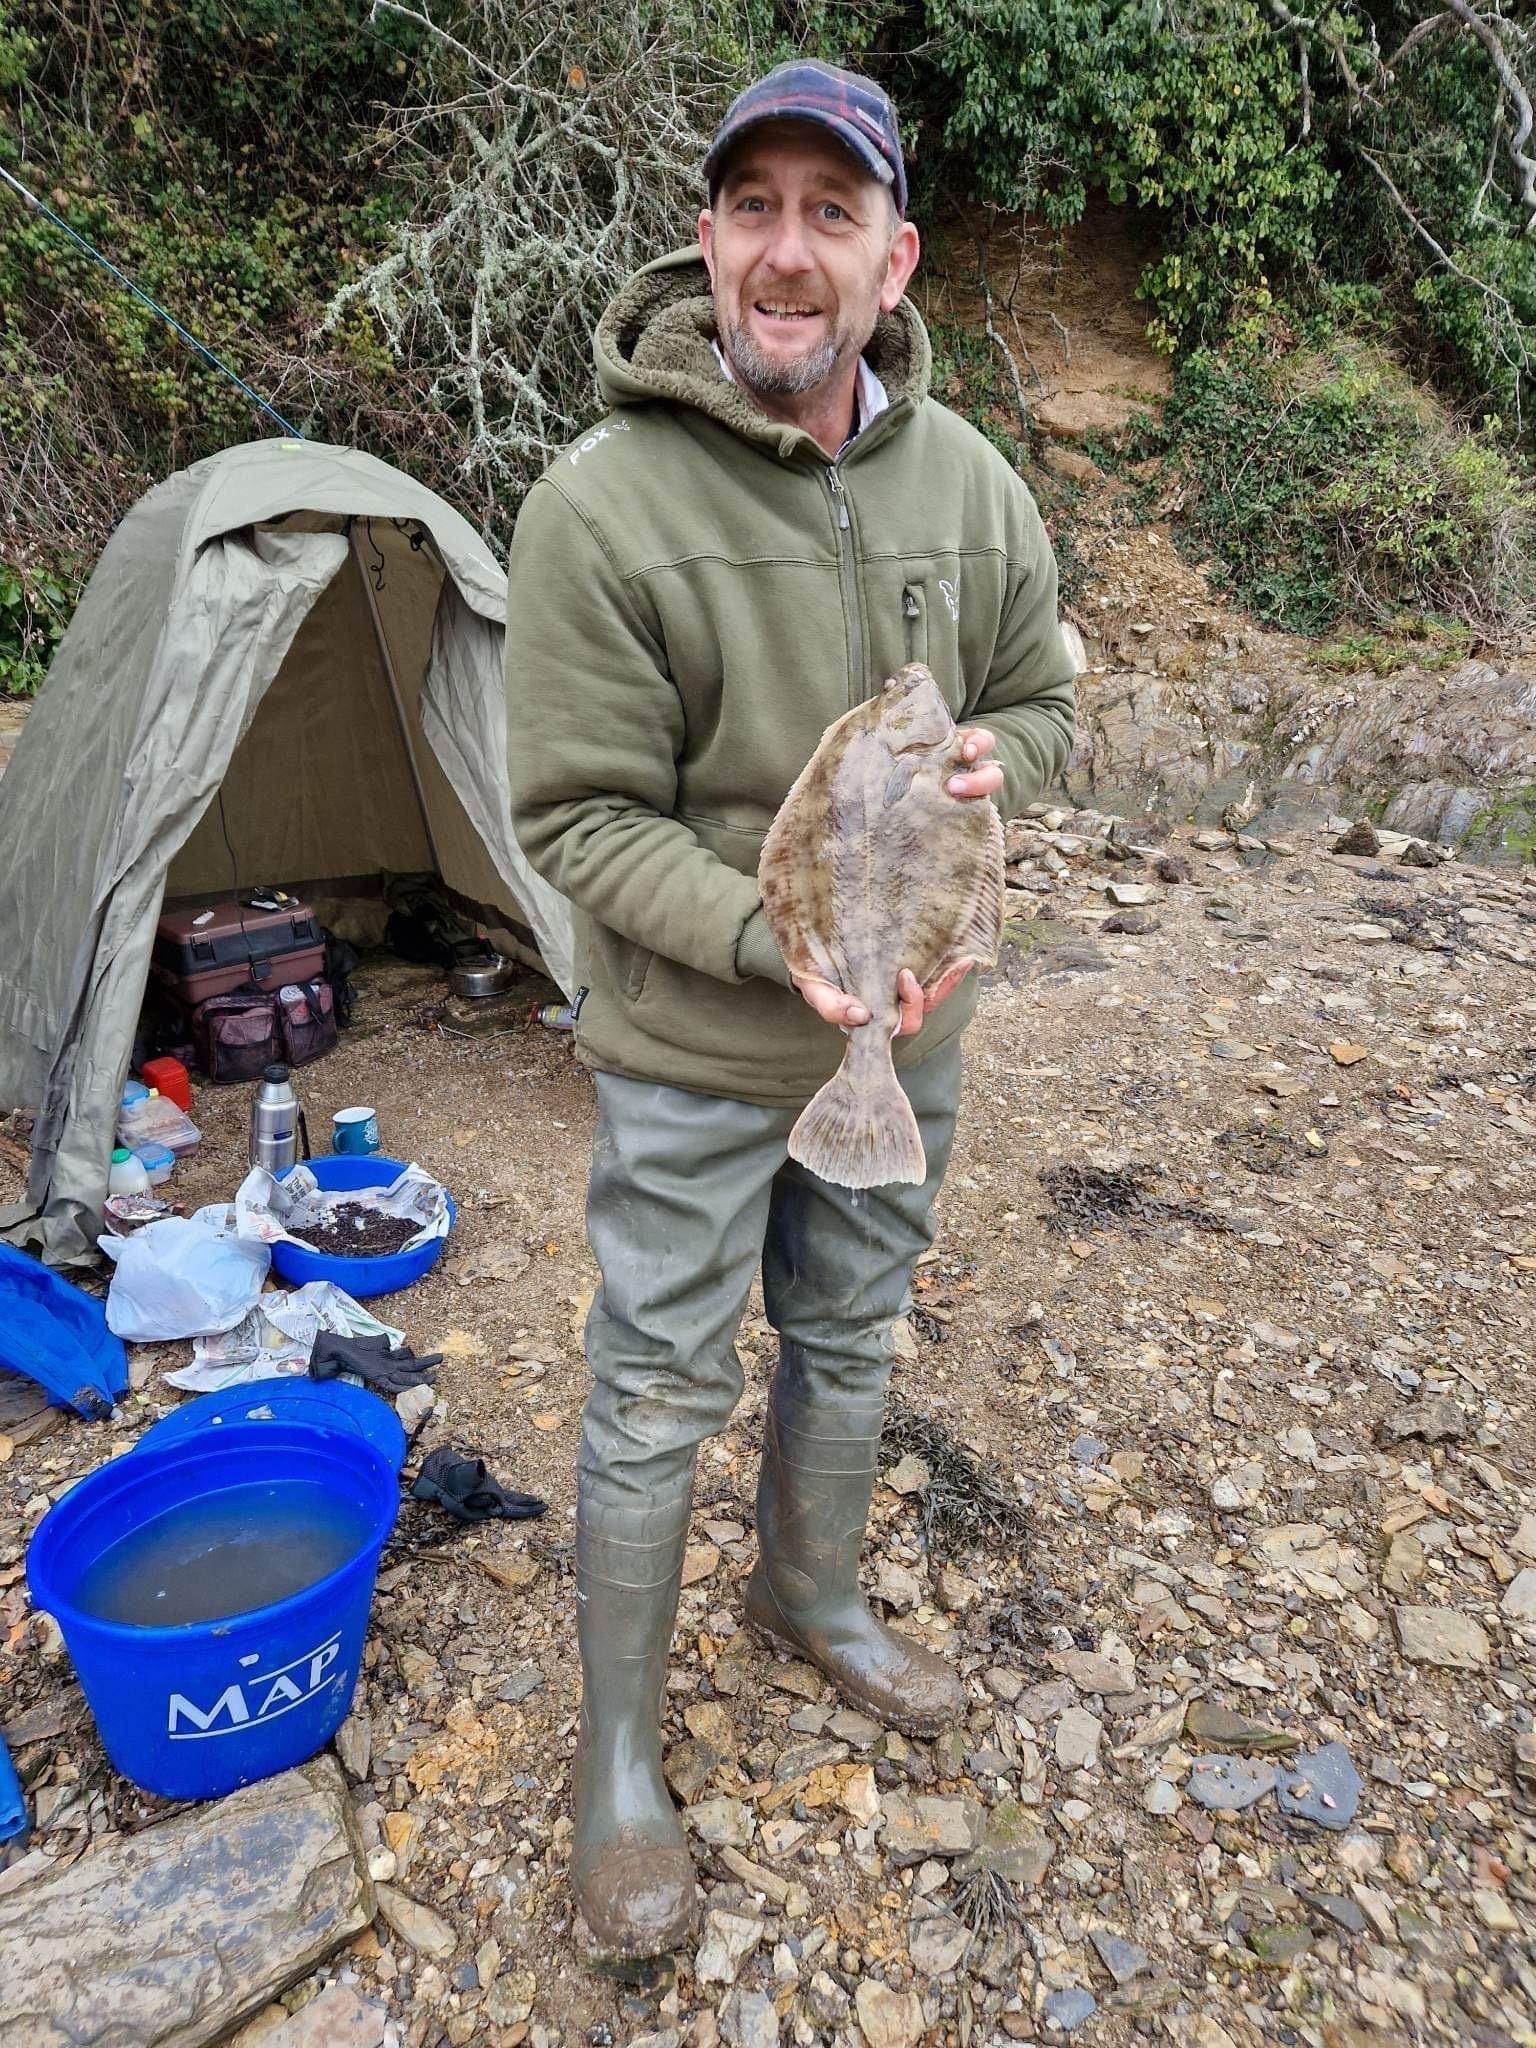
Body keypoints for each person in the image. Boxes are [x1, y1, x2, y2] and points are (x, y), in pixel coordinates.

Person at [505, 59, 1077, 1957]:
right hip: (696, 1045)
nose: (785, 249)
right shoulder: (603, 503)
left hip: (902, 1044)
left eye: (831, 214)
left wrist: (1009, 755)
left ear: (893, 261)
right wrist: (769, 946)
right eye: (753, 205)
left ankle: (810, 1596)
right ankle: (615, 1763)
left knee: (853, 1329)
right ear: (704, 237)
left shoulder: (976, 489)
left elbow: (1054, 708)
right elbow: (575, 813)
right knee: (657, 1384)